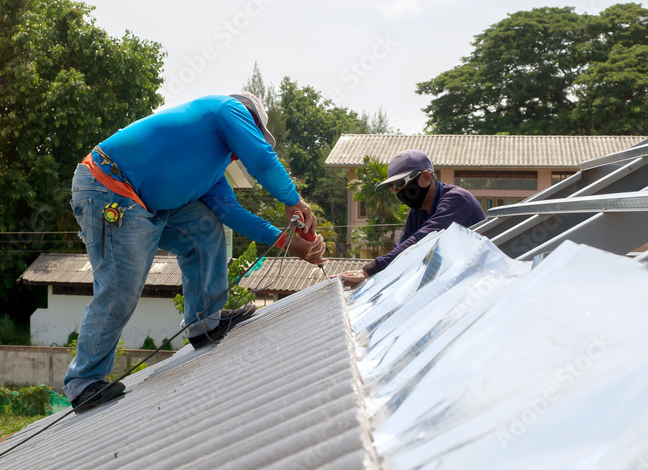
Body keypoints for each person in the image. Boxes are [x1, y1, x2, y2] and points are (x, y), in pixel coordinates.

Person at [66, 92, 326, 413]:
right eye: (254, 133)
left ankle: (204, 322)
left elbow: (231, 212)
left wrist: (290, 243)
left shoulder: (213, 170)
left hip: (147, 203)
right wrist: (294, 200)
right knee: (122, 284)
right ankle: (84, 382)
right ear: (250, 122)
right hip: (109, 187)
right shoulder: (227, 108)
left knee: (205, 225)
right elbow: (261, 160)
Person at [337, 149, 486, 288]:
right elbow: (401, 250)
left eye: (401, 184)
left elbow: (422, 241)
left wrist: (370, 270)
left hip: (481, 281)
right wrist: (368, 280)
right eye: (393, 188)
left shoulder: (457, 200)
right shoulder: (418, 211)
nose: (398, 192)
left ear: (426, 177)